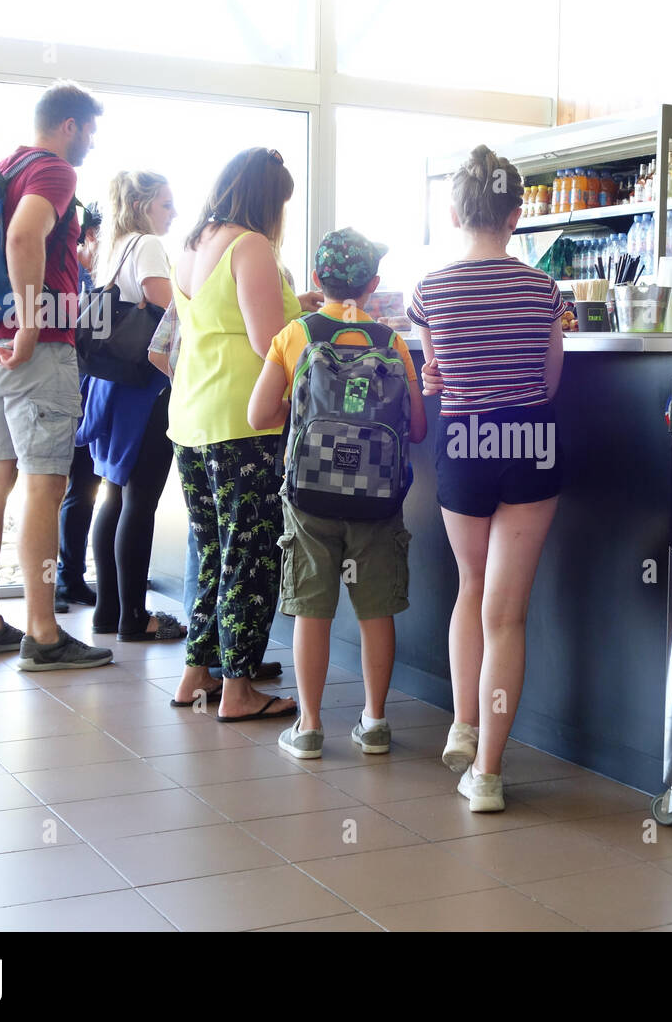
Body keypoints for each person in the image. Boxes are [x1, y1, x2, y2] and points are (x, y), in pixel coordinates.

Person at [410, 145, 568, 811]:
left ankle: (463, 722)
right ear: (516, 212)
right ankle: (491, 776)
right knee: (508, 614)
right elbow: (552, 379)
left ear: (454, 211)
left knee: (470, 589)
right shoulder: (544, 290)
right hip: (531, 443)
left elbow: (436, 375)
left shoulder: (428, 290)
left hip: (466, 441)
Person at [249, 228, 426, 759]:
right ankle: (374, 722)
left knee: (312, 610)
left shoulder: (294, 335)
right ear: (373, 284)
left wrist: (302, 414)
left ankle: (309, 726)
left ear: (316, 281)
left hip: (309, 498)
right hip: (378, 500)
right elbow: (416, 429)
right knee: (377, 610)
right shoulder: (392, 343)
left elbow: (258, 415)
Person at [0, 79, 113, 671]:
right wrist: (28, 324)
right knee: (46, 486)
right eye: (91, 130)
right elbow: (24, 235)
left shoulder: (5, 166)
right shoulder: (52, 171)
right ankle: (44, 633)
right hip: (34, 349)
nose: (92, 143)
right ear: (69, 124)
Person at [167, 147, 303, 720]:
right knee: (249, 555)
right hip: (242, 423)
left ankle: (195, 677)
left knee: (214, 553)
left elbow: (224, 322)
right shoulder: (252, 246)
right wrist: (305, 321)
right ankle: (240, 690)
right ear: (267, 199)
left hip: (191, 419)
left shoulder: (192, 245)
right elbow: (266, 342)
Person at [77, 170, 186, 641]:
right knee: (140, 502)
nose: (173, 212)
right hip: (145, 389)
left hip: (112, 386)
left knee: (115, 494)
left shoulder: (113, 247)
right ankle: (134, 618)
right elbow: (172, 308)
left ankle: (109, 612)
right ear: (143, 206)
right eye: (166, 204)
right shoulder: (146, 246)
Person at [55, 200, 103, 614]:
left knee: (81, 488)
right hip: (70, 392)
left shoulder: (84, 274)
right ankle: (60, 580)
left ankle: (68, 577)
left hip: (85, 394)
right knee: (68, 488)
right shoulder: (77, 274)